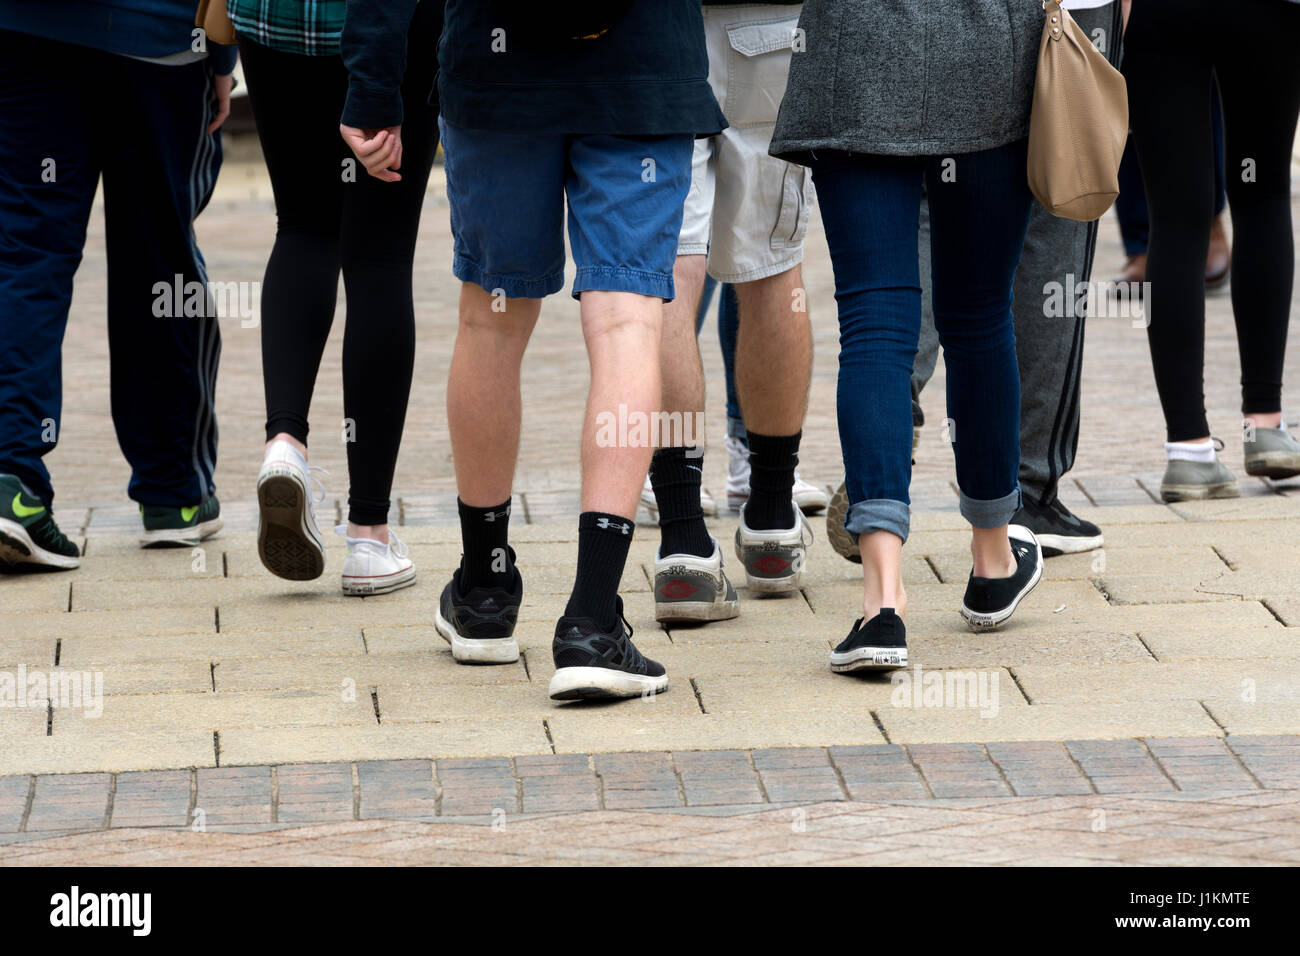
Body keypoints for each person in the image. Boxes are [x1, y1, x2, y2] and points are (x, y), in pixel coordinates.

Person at [342, 0, 725, 699]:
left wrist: (373, 86)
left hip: (498, 76)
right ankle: (591, 621)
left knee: (491, 318)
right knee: (627, 323)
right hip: (642, 71)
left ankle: (485, 589)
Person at [771, 0, 1046, 674]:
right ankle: (991, 558)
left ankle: (882, 601)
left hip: (854, 55)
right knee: (980, 315)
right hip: (988, 56)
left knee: (873, 322)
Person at [827, 0, 1122, 560]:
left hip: (882, 28)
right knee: (1041, 244)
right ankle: (1024, 494)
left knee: (886, 290)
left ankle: (885, 456)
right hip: (1035, 20)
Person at [0, 0, 234, 572]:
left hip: (27, 31)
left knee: (26, 254)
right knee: (160, 262)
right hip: (160, 36)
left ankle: (12, 481)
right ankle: (173, 494)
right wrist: (221, 52)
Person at [231, 0, 442, 595]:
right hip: (389, 28)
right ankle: (369, 536)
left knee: (301, 226)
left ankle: (284, 444)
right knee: (379, 260)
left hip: (272, 20)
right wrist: (376, 90)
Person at [645, 1, 822, 625]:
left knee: (666, 280)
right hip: (768, 26)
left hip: (650, 33)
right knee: (774, 268)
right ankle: (772, 519)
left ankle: (684, 543)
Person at [1123, 0, 1300, 501]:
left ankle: (1189, 450)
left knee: (1176, 218)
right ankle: (1264, 425)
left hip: (1162, 11)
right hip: (1266, 15)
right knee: (1262, 194)